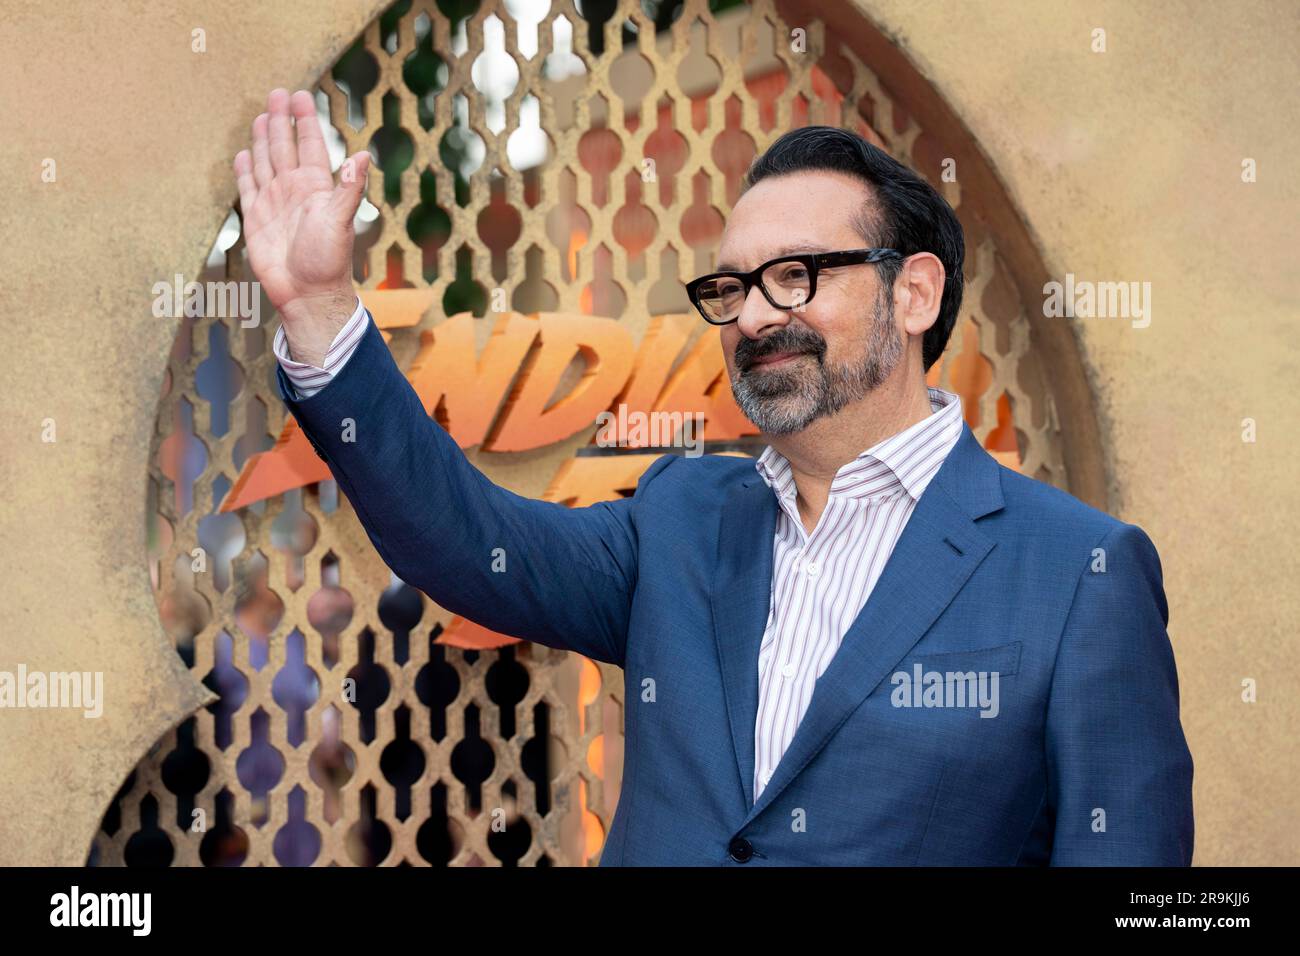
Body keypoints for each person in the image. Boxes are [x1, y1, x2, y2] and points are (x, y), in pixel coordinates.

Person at [233, 88, 1194, 865]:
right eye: (732, 287)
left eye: (797, 276)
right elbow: (468, 542)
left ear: (914, 292)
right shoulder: (684, 517)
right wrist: (321, 311)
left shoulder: (1081, 573)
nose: (752, 317)